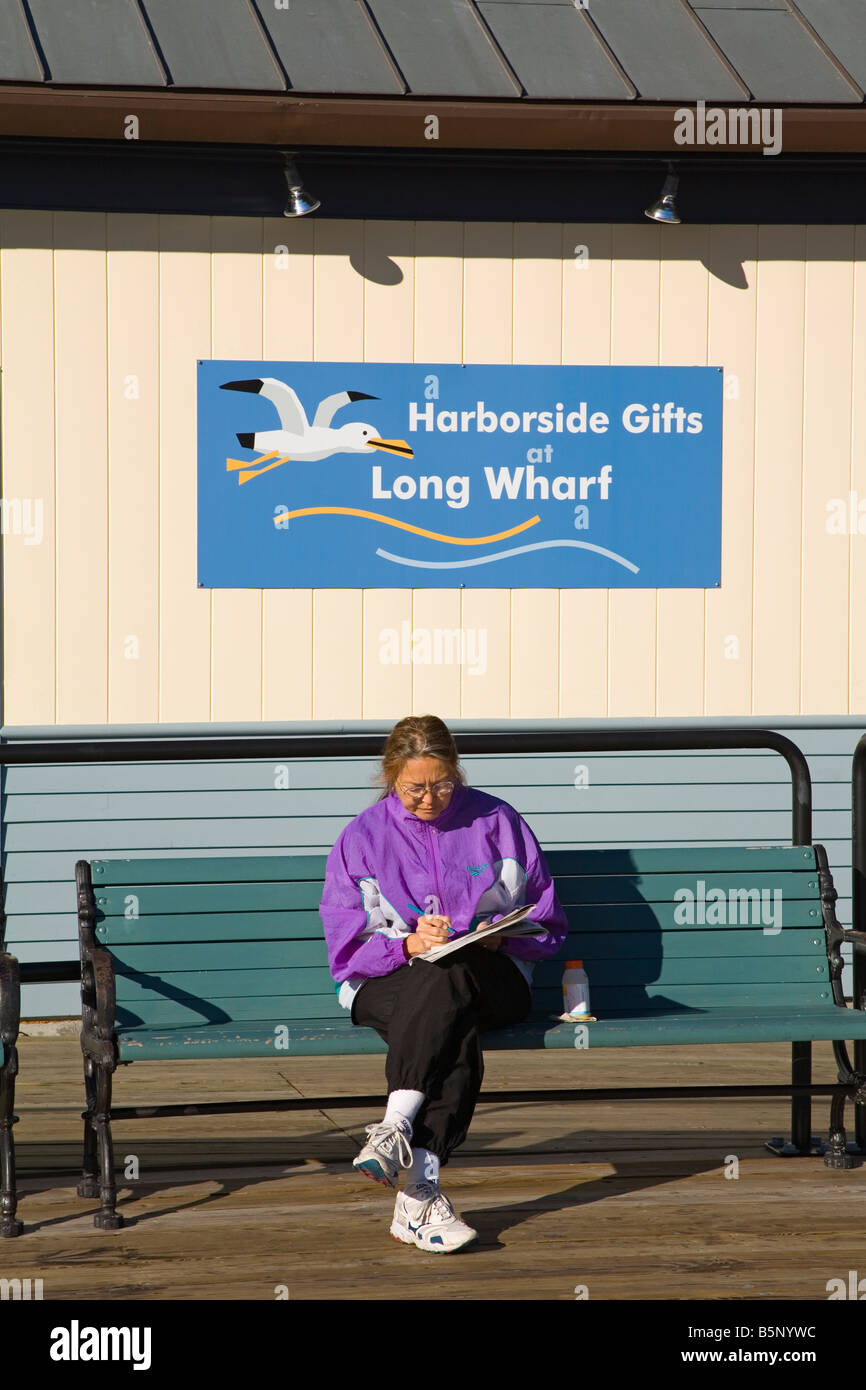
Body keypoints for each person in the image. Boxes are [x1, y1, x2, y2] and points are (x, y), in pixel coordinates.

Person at [318, 714, 568, 1253]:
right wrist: (406, 944)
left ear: (457, 773)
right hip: (388, 980)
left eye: (442, 785)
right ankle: (420, 1192)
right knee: (451, 1014)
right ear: (390, 778)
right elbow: (344, 944)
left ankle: (394, 1126)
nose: (429, 799)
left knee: (449, 973)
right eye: (414, 788)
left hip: (494, 975)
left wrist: (503, 937)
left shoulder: (498, 821)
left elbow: (546, 920)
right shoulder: (362, 836)